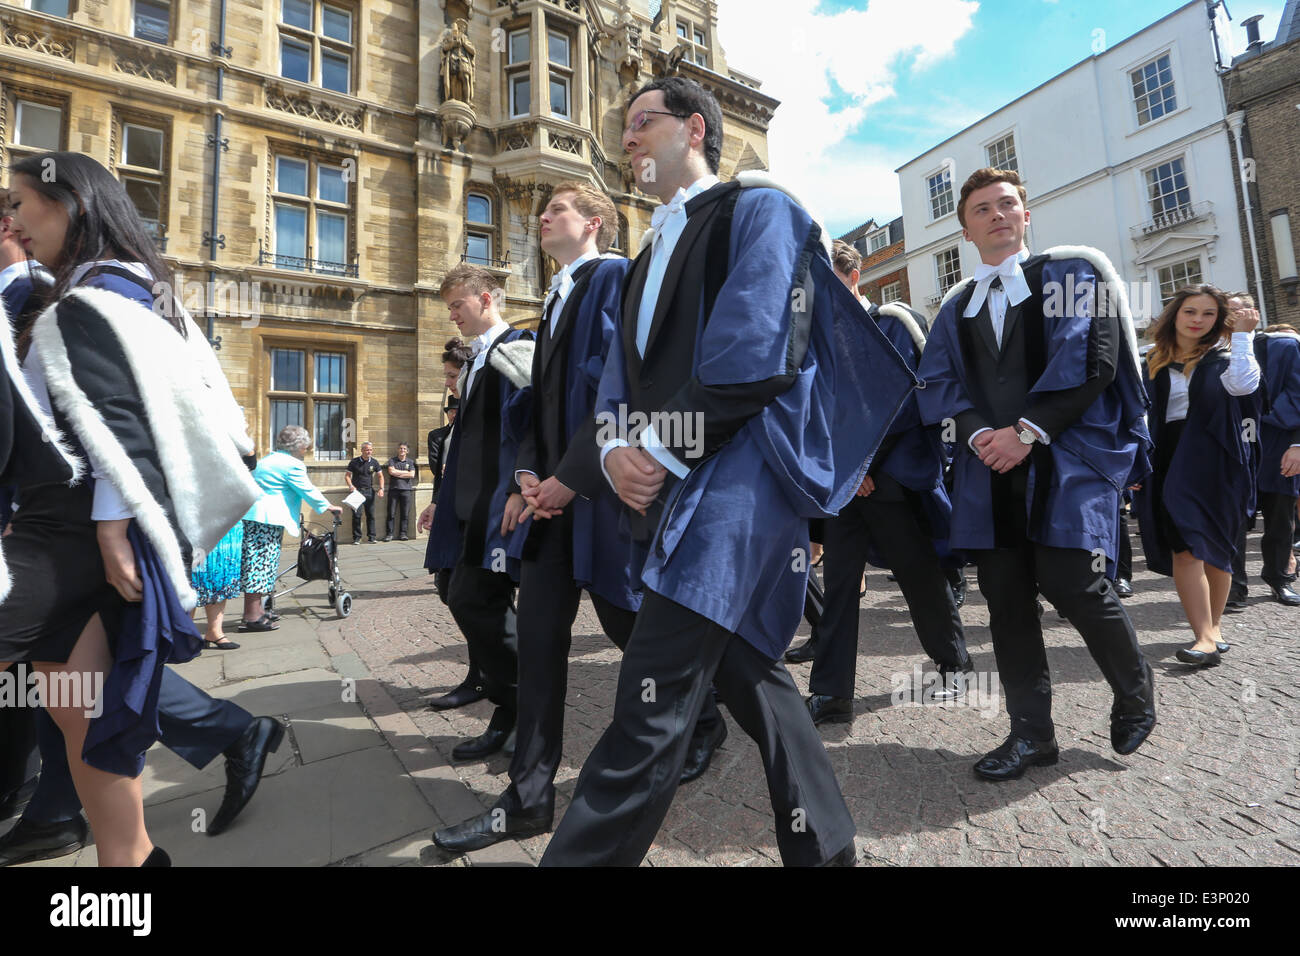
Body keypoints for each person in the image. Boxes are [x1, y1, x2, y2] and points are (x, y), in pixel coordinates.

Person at [539, 78, 915, 867]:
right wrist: (611, 454)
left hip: (732, 487)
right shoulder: (644, 256)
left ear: (697, 129)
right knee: (751, 671)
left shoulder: (762, 209)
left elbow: (758, 354)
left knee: (649, 703)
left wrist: (658, 447)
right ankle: (830, 848)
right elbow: (614, 381)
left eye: (643, 121)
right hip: (662, 488)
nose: (628, 137)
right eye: (625, 125)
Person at [432, 180, 724, 854]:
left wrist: (571, 477)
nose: (542, 217)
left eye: (557, 209)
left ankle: (705, 717)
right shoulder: (554, 301)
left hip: (598, 502)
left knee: (629, 628)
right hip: (552, 506)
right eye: (543, 210)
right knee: (537, 645)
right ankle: (528, 797)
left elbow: (616, 388)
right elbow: (537, 402)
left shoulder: (613, 277)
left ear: (595, 222)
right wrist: (528, 474)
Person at [0, 151, 262, 865]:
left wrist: (116, 522)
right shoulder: (118, 286)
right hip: (61, 518)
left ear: (70, 205)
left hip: (74, 526)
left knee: (77, 702)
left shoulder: (97, 293)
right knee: (79, 707)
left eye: (20, 204)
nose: (15, 222)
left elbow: (124, 417)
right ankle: (132, 862)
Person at [916, 167, 1156, 781]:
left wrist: (1025, 433)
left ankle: (1134, 689)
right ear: (965, 230)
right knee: (1007, 605)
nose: (997, 214)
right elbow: (939, 381)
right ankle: (1032, 736)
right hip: (988, 468)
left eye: (1008, 204)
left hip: (1064, 460)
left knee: (1077, 583)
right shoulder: (956, 305)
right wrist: (978, 435)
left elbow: (1094, 359)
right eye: (981, 209)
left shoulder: (1073, 272)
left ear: (1027, 215)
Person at [805, 241, 973, 726]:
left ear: (853, 277)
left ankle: (954, 664)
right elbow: (818, 414)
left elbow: (905, 403)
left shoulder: (892, 324)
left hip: (892, 479)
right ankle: (832, 692)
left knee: (919, 578)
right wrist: (843, 473)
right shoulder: (816, 340)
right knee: (838, 587)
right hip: (844, 485)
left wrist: (866, 471)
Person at [418, 264, 533, 759]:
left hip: (500, 509)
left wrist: (517, 487)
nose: (453, 317)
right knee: (462, 596)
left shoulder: (518, 348)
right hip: (468, 509)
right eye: (448, 309)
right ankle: (514, 710)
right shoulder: (478, 359)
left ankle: (521, 713)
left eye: (457, 306)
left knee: (475, 600)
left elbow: (535, 427)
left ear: (486, 299)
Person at [1134, 286, 1262, 667]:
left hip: (1215, 456)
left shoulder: (1225, 357)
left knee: (1217, 547)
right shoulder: (1153, 360)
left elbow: (1245, 386)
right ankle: (1205, 636)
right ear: (1174, 314)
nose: (1197, 320)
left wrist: (1242, 336)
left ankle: (1214, 629)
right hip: (1170, 454)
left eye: (1208, 314)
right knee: (1184, 548)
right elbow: (1140, 414)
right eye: (1190, 311)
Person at [1228, 306, 1300, 607]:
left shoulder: (1283, 346)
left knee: (1280, 516)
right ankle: (1234, 586)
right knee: (1232, 521)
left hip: (1278, 445)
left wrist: (1297, 444)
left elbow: (1299, 393)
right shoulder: (1208, 351)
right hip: (1232, 444)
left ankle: (1279, 578)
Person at [240, 425, 343, 631]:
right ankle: (251, 616)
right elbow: (307, 489)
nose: (306, 450)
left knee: (259, 564)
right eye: (305, 447)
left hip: (255, 517)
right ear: (297, 446)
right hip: (267, 519)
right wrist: (328, 506)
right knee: (259, 565)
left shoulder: (268, 459)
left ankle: (257, 611)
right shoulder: (292, 465)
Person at [190, 520, 245, 649]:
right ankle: (185, 633)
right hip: (197, 521)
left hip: (227, 518)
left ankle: (214, 631)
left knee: (221, 575)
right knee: (195, 576)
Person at [344, 441, 385, 544]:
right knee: (357, 515)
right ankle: (357, 538)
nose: (369, 452)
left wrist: (381, 488)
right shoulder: (354, 462)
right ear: (362, 450)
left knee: (370, 515)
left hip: (369, 491)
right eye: (367, 450)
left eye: (370, 450)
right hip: (357, 492)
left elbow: (380, 476)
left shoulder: (374, 462)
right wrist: (351, 486)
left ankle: (372, 537)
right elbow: (347, 476)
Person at [426, 397, 457, 504]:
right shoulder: (435, 435)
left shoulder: (471, 435)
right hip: (444, 485)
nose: (454, 415)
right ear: (447, 414)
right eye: (451, 412)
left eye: (457, 412)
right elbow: (434, 463)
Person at [383, 443, 416, 540]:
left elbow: (412, 475)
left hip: (406, 490)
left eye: (404, 449)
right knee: (391, 513)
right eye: (401, 448)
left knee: (405, 514)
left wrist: (398, 473)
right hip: (394, 490)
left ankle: (403, 534)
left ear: (407, 451)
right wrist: (406, 473)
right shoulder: (392, 460)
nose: (402, 450)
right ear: (398, 450)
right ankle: (389, 534)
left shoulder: (410, 462)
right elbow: (391, 472)